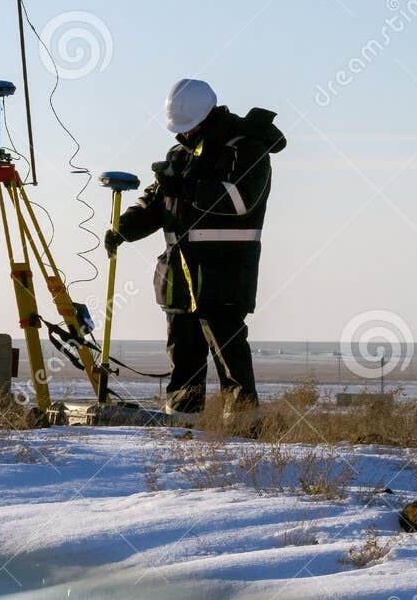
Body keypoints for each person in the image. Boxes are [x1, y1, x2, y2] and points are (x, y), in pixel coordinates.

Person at [104, 79, 286, 427]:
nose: (183, 135)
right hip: (179, 276)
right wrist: (124, 230)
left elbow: (240, 201)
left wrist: (185, 187)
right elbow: (156, 204)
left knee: (229, 355)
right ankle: (182, 430)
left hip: (224, 275)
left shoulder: (246, 148)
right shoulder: (180, 155)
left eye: (189, 128)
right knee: (183, 356)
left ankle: (243, 432)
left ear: (205, 117)